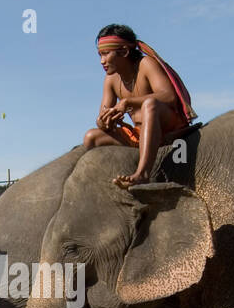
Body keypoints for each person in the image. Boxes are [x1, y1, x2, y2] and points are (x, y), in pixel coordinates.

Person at [81, 24, 197, 189]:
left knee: (149, 105)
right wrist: (104, 121)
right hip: (138, 134)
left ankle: (142, 174)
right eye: (100, 55)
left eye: (106, 54)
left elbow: (168, 95)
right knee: (91, 137)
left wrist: (127, 102)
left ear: (124, 52)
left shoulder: (146, 64)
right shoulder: (111, 79)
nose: (102, 61)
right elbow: (102, 118)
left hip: (168, 127)